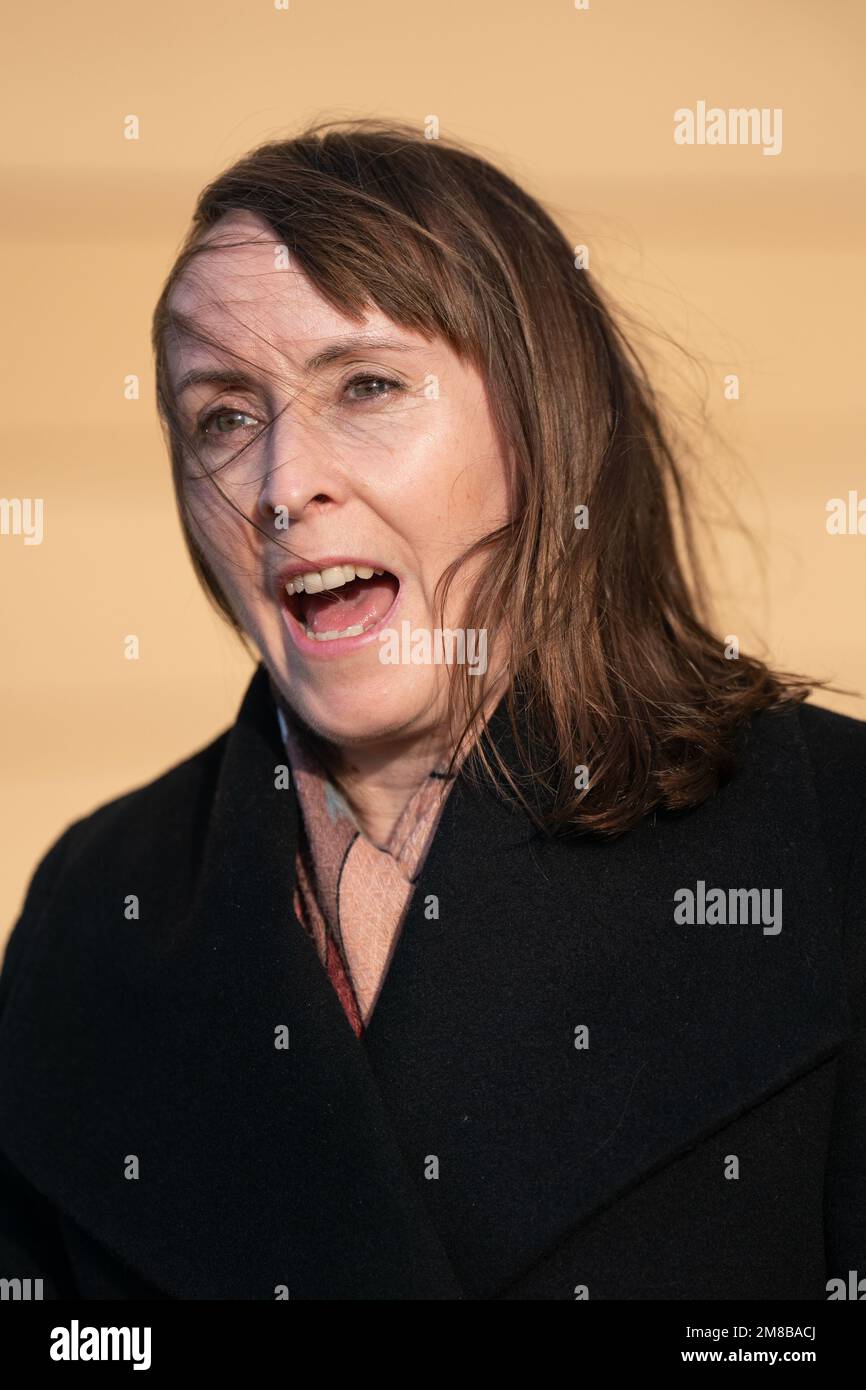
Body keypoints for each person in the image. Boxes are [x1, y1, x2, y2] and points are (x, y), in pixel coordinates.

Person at [1, 118, 864, 1301]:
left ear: (545, 423)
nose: (281, 484)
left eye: (364, 386)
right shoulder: (96, 910)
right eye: (224, 415)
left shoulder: (827, 836)